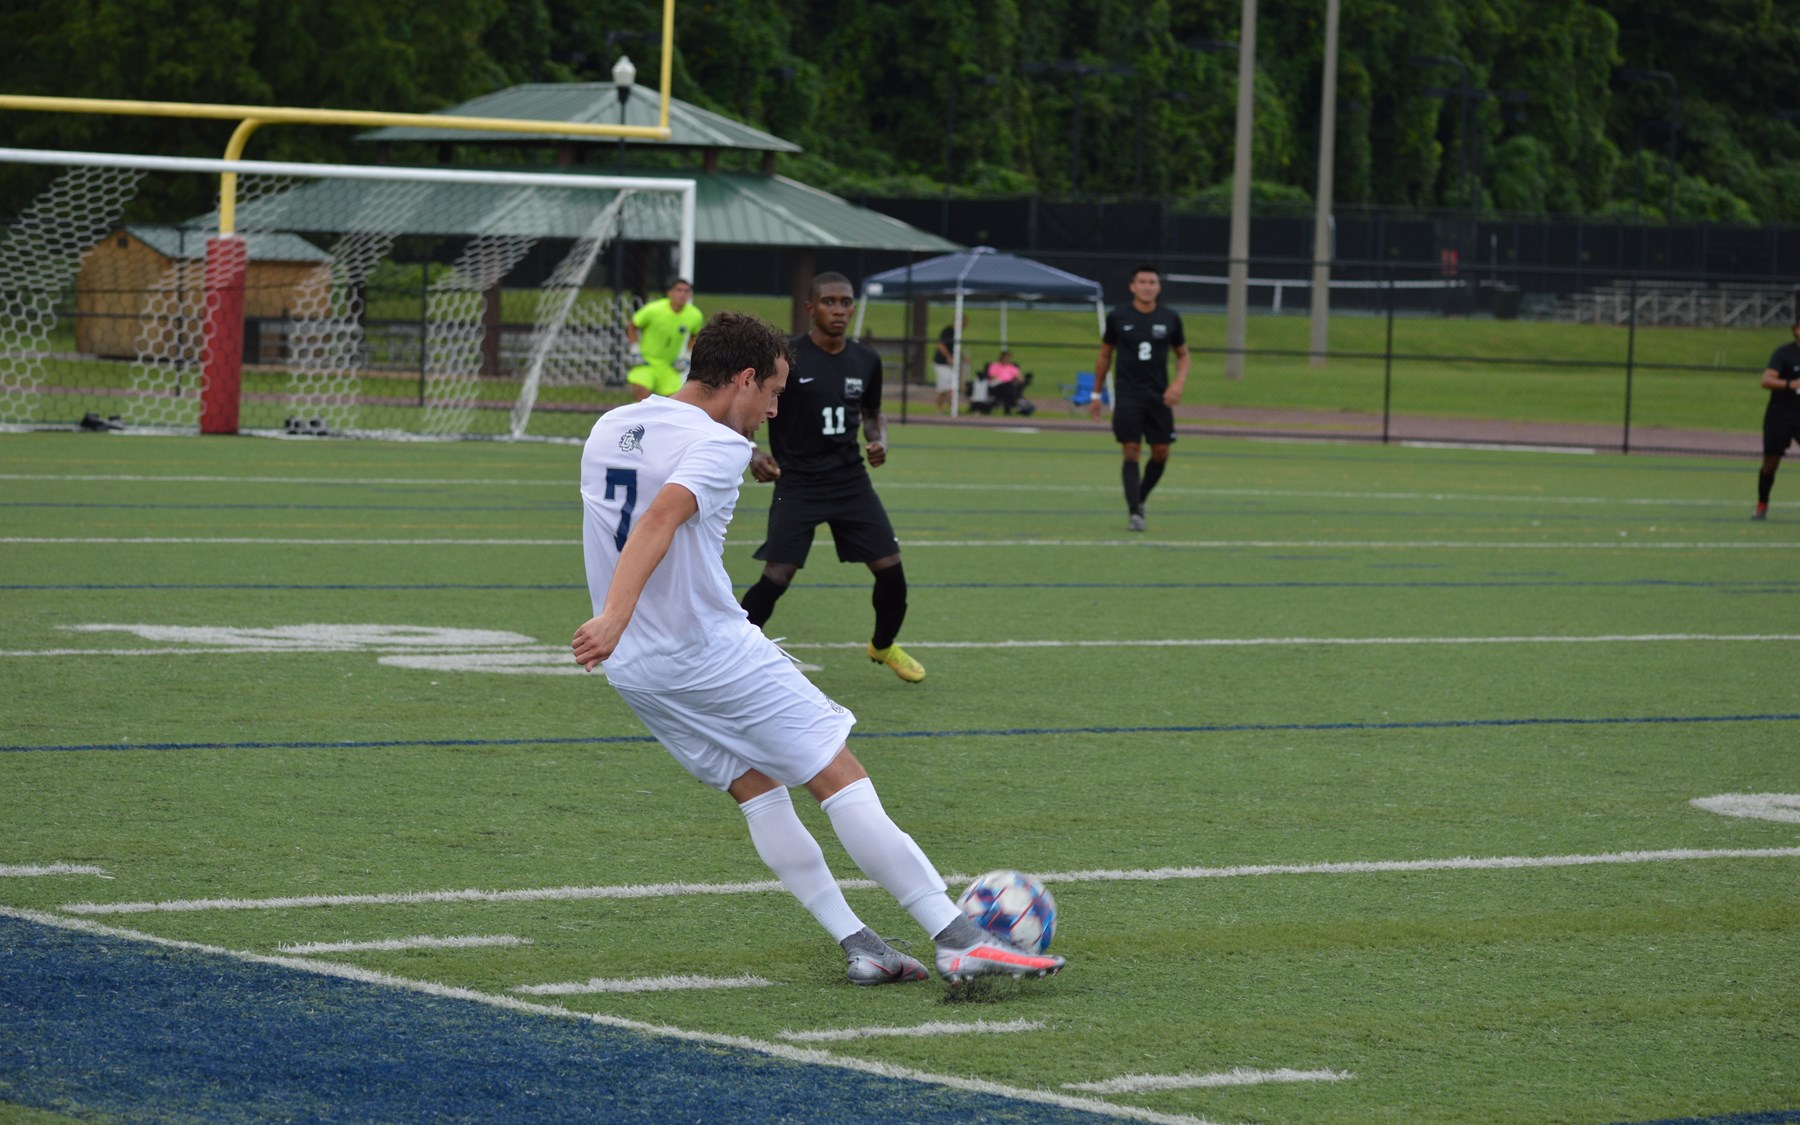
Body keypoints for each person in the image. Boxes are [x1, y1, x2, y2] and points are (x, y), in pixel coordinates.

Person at [572, 311, 1064, 986]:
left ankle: (860, 942)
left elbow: (635, 513)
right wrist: (614, 616)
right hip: (704, 649)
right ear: (742, 378)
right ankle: (958, 935)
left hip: (638, 669)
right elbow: (659, 519)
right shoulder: (715, 445)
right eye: (772, 392)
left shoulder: (610, 427)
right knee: (836, 773)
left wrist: (616, 623)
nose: (775, 408)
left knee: (757, 789)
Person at [739, 272, 926, 684]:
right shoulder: (785, 357)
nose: (839, 310)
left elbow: (874, 413)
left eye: (845, 302)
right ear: (811, 308)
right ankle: (729, 651)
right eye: (829, 302)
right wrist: (752, 451)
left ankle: (883, 645)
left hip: (850, 482)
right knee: (776, 577)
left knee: (891, 572)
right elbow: (743, 408)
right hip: (798, 481)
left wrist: (878, 441)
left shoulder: (866, 360)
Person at [1091, 264, 1190, 532]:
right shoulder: (1118, 317)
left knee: (1161, 452)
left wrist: (1178, 384)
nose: (1147, 286)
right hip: (1128, 394)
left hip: (1159, 396)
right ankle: (1135, 513)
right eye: (1142, 282)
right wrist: (1096, 393)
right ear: (1133, 286)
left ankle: (1140, 498)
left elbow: (1183, 355)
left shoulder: (1170, 317)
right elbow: (1104, 356)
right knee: (1131, 450)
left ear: (1158, 287)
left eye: (1152, 282)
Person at [1752, 316, 1800, 520]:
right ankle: (1762, 504)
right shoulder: (1784, 353)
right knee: (1771, 462)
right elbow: (1766, 380)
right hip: (1780, 416)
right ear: (1796, 330)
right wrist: (1790, 384)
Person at [625, 279, 704, 402]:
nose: (682, 294)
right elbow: (632, 325)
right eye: (678, 290)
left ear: (690, 295)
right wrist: (635, 350)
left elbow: (694, 335)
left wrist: (687, 356)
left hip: (669, 366)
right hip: (647, 362)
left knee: (675, 403)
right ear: (670, 293)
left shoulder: (695, 315)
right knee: (642, 398)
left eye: (686, 291)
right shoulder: (653, 309)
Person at [932, 314, 967, 414]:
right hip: (942, 363)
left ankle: (942, 409)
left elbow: (954, 348)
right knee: (951, 386)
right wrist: (948, 356)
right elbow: (940, 345)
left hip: (948, 365)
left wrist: (962, 356)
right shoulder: (948, 331)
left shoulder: (956, 333)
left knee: (943, 388)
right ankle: (951, 408)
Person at [985, 349, 1023, 415]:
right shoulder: (995, 366)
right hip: (997, 385)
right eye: (1005, 357)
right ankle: (1010, 408)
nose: (1006, 359)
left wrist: (1017, 380)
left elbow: (1020, 378)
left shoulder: (1012, 367)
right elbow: (991, 376)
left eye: (1008, 358)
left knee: (1009, 388)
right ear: (1001, 357)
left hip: (1009, 387)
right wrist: (1002, 380)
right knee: (1009, 389)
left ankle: (1007, 409)